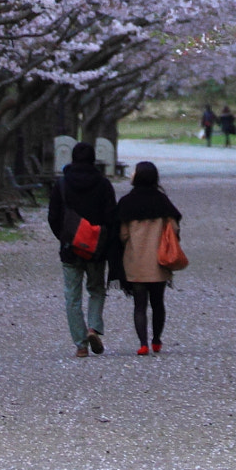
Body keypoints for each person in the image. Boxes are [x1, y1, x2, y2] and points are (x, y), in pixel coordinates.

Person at [47, 140, 115, 357]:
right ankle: (93, 327)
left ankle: (80, 344)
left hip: (70, 248)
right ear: (93, 160)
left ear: (73, 159)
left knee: (72, 296)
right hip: (96, 249)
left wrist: (64, 237)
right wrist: (104, 240)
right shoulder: (103, 184)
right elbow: (111, 217)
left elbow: (53, 217)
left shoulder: (62, 184)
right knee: (96, 289)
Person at [113, 160, 183, 355]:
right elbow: (174, 228)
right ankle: (157, 340)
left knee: (140, 305)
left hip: (135, 261)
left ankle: (143, 344)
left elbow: (122, 235)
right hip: (159, 261)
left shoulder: (127, 202)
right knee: (158, 303)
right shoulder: (162, 201)